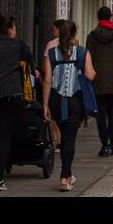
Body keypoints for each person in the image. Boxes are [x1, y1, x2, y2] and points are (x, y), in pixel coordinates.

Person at [41, 20, 96, 192]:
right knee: (70, 139)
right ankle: (64, 177)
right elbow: (90, 75)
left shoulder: (51, 54)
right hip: (75, 101)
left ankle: (68, 174)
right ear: (74, 34)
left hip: (56, 101)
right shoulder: (82, 52)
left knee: (65, 138)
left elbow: (47, 80)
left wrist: (45, 105)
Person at [0, 16, 33, 191]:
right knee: (4, 135)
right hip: (12, 93)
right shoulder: (19, 45)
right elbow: (29, 65)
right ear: (11, 29)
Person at [86, 6, 113, 157]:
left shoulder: (91, 36)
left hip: (98, 79)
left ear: (98, 18)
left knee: (101, 113)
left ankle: (104, 145)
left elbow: (88, 58)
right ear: (110, 18)